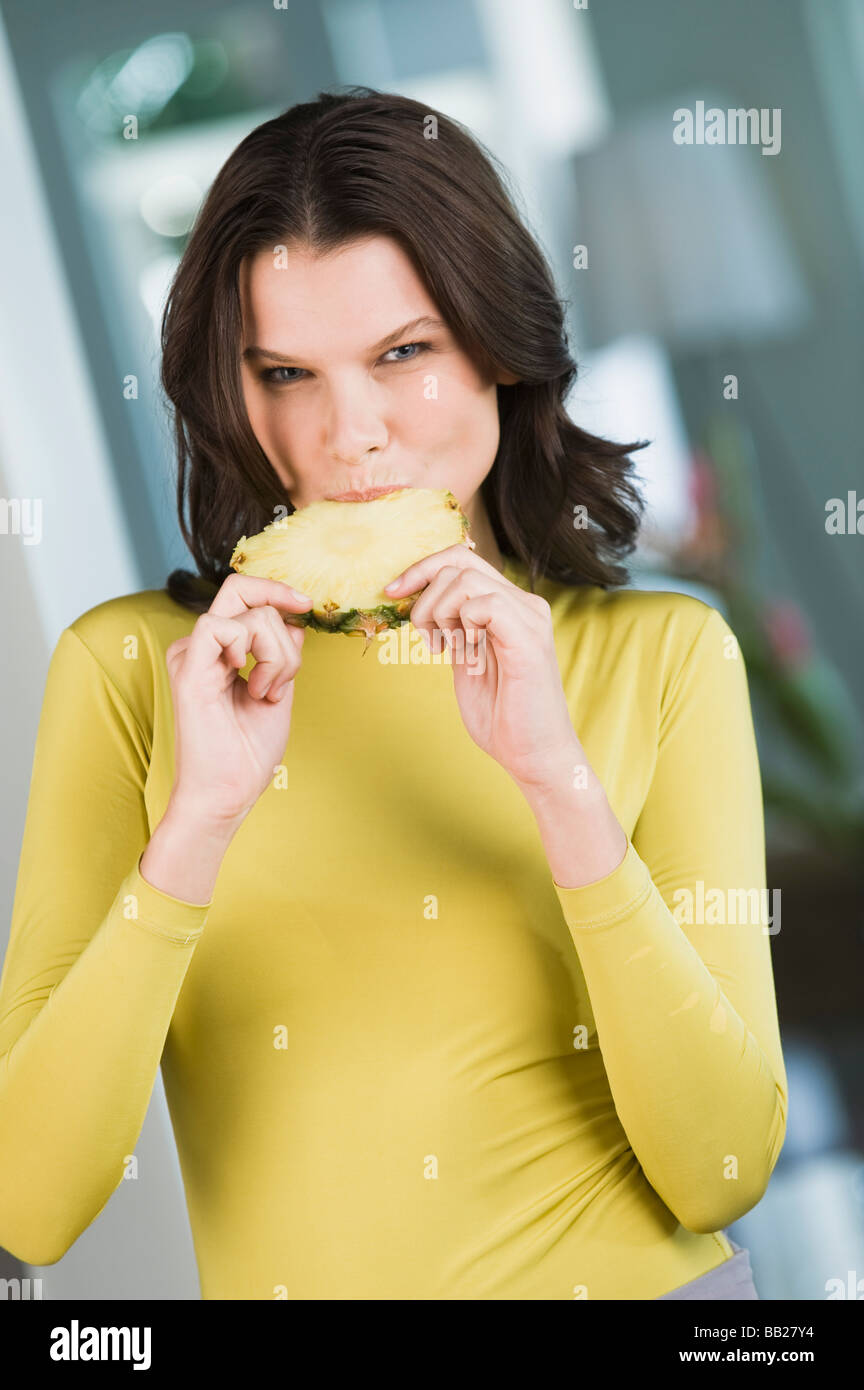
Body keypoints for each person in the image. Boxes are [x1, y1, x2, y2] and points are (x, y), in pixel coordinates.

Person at [0, 87, 786, 1299]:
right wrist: (196, 826)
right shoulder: (134, 671)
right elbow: (31, 1205)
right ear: (232, 388)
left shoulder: (665, 656)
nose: (346, 432)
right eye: (285, 371)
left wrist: (553, 781)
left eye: (401, 353)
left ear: (499, 345)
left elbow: (723, 1171)